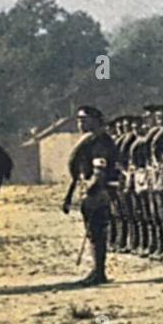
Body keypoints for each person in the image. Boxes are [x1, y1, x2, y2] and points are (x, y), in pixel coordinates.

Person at [64, 105, 121, 286]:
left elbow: (100, 170)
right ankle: (96, 270)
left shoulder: (100, 141)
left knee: (97, 231)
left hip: (98, 192)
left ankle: (99, 272)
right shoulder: (89, 140)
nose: (80, 123)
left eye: (84, 119)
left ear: (95, 121)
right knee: (93, 233)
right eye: (79, 119)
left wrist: (91, 189)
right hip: (89, 189)